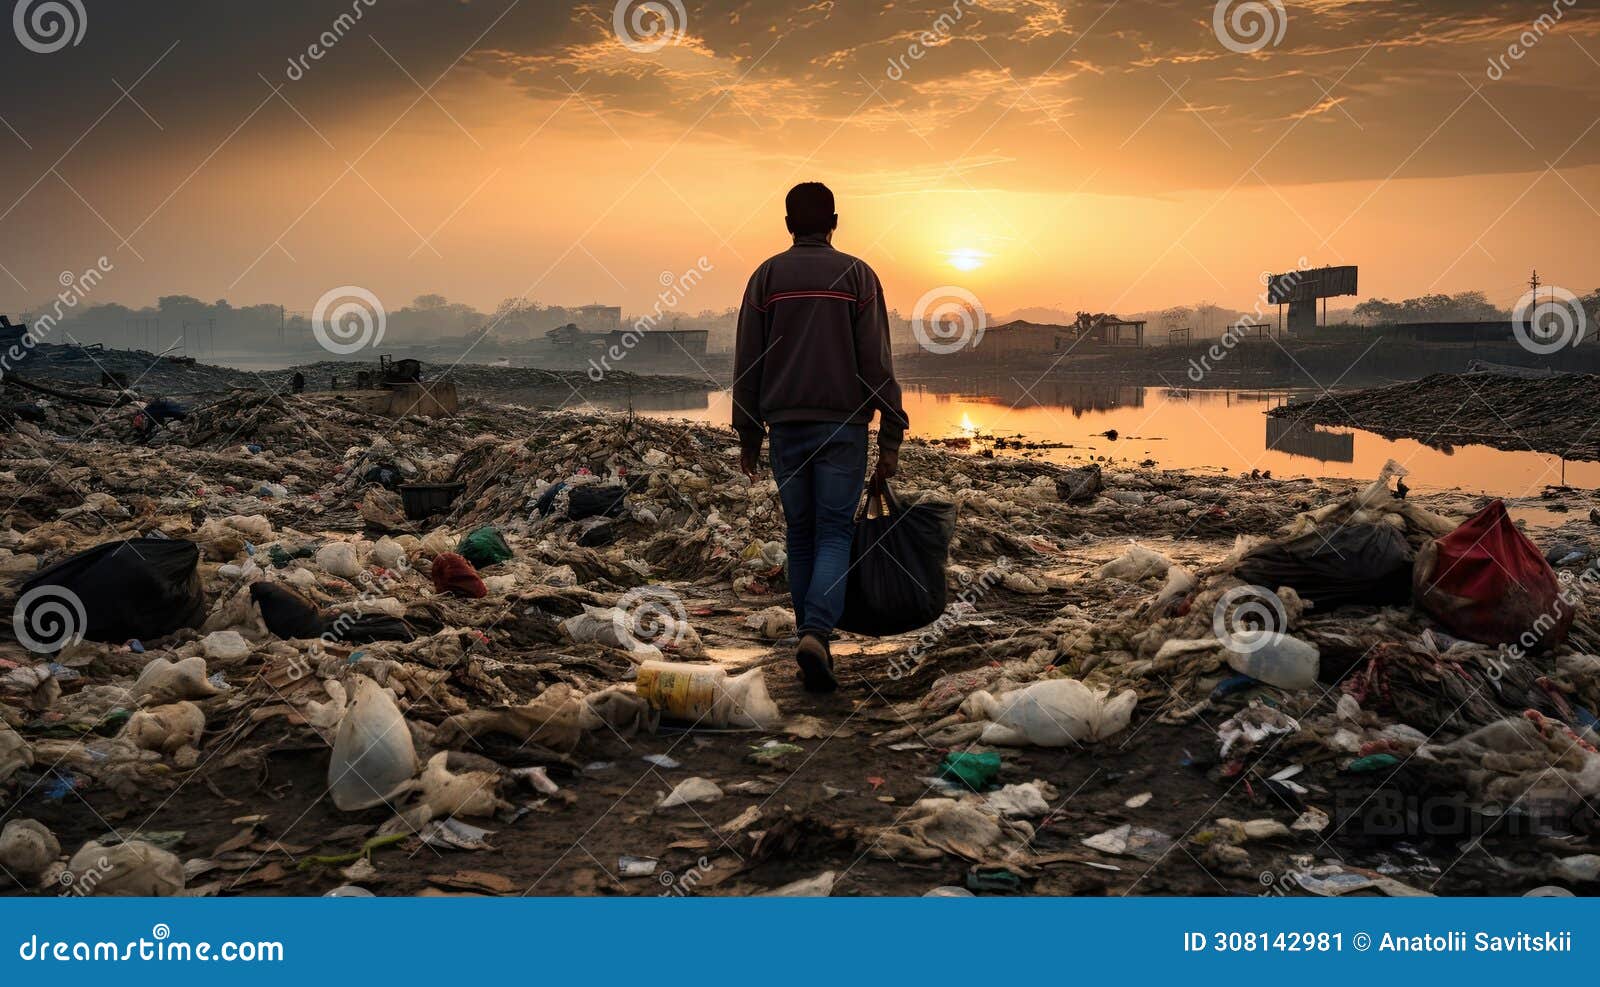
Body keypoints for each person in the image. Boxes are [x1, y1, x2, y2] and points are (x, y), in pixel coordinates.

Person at [733, 182, 909, 692]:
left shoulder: (765, 277)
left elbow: (749, 359)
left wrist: (748, 432)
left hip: (785, 426)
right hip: (843, 427)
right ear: (835, 220)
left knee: (801, 531)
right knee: (834, 531)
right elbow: (876, 363)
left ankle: (810, 635)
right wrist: (891, 433)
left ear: (788, 224)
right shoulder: (858, 276)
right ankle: (816, 633)